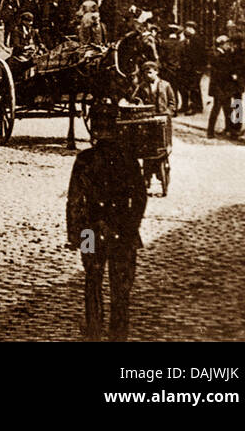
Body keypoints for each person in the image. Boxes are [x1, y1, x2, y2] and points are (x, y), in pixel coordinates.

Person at [66, 101, 148, 340]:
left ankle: (93, 330)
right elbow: (140, 197)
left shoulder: (84, 159)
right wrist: (131, 227)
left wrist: (75, 235)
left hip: (90, 233)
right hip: (122, 231)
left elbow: (74, 201)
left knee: (92, 279)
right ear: (116, 127)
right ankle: (118, 334)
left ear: (93, 128)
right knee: (121, 287)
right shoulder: (128, 159)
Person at [130, 62, 177, 196]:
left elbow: (172, 103)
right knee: (146, 148)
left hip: (162, 121)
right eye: (145, 72)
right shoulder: (142, 87)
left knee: (161, 147)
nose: (148, 75)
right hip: (148, 120)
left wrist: (168, 113)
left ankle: (160, 174)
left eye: (150, 72)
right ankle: (147, 176)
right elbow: (135, 99)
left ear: (156, 72)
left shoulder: (165, 85)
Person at [207, 36, 244, 140]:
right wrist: (232, 75)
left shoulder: (223, 54)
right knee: (217, 109)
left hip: (224, 87)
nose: (229, 46)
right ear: (222, 44)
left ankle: (230, 130)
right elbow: (220, 72)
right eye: (227, 44)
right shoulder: (217, 55)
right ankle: (211, 131)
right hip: (219, 87)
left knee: (227, 109)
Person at [176, 22, 207, 115]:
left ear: (192, 28)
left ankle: (195, 107)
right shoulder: (189, 39)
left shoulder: (197, 39)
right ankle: (194, 106)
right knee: (191, 86)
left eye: (188, 28)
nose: (186, 30)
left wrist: (199, 68)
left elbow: (201, 55)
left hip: (196, 68)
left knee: (194, 87)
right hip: (189, 68)